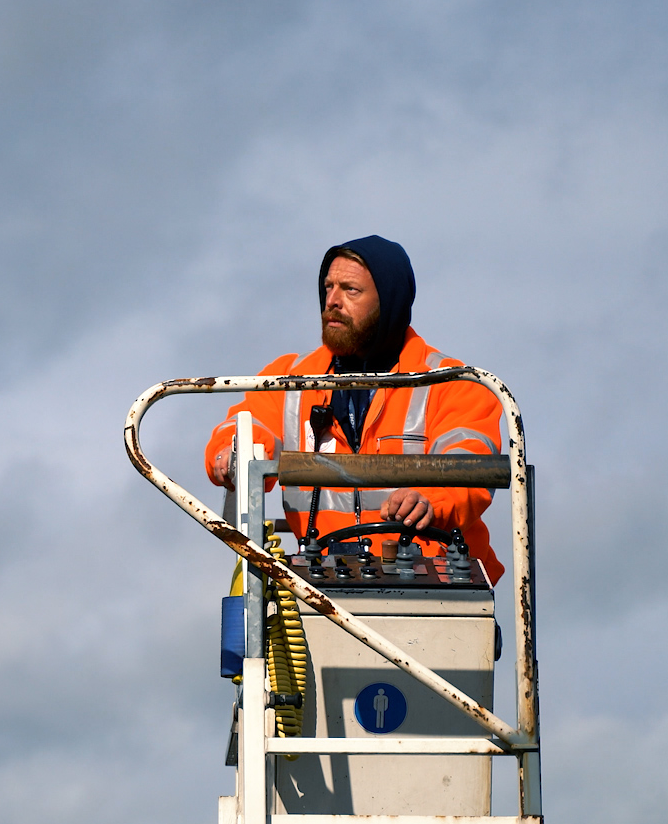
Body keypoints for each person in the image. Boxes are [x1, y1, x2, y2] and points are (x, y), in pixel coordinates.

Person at [203, 235, 506, 583]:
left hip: (438, 586)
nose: (332, 301)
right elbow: (244, 425)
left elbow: (470, 464)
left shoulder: (454, 383)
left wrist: (429, 500)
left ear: (389, 301)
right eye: (328, 287)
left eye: (350, 290)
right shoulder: (290, 379)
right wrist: (231, 452)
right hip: (326, 586)